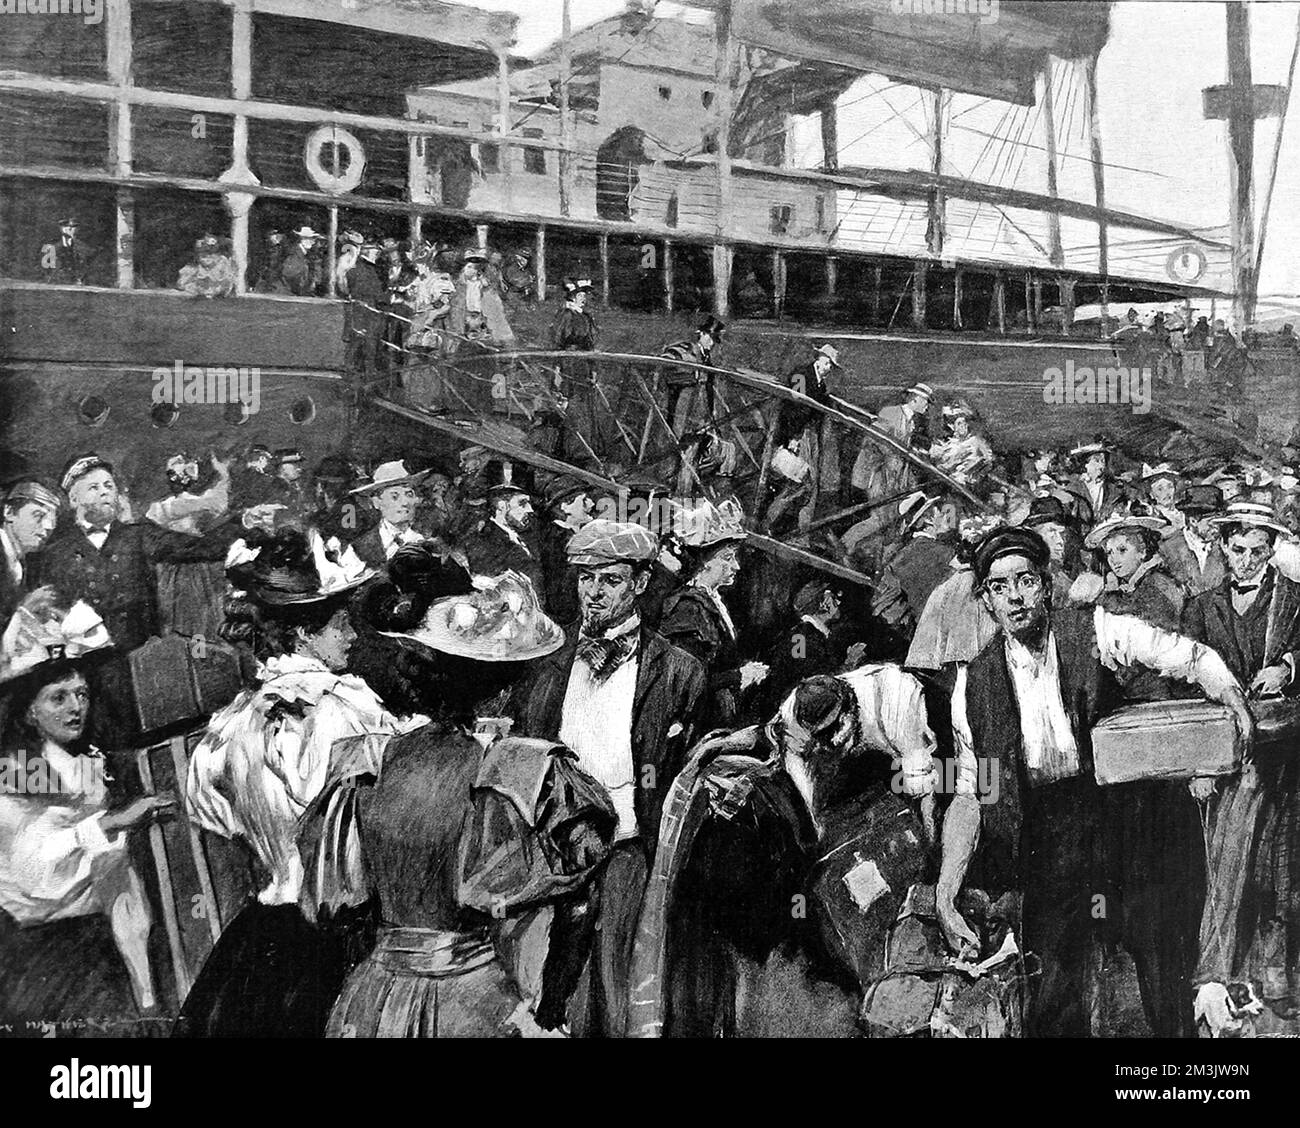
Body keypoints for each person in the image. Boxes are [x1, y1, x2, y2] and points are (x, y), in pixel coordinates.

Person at [937, 526, 1251, 1038]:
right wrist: (946, 889)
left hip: (1124, 816)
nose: (1015, 596)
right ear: (985, 599)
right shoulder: (974, 682)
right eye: (1000, 587)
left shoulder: (1093, 629)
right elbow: (970, 790)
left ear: (1045, 585)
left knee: (1161, 962)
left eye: (1026, 581)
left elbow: (1182, 653)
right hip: (1049, 836)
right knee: (1054, 986)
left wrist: (1229, 693)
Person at [324, 571, 616, 1037]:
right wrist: (549, 1011)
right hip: (473, 1004)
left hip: (372, 1001)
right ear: (502, 683)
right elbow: (579, 905)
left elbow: (343, 909)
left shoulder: (364, 762)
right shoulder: (523, 770)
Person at [177, 527, 404, 1037]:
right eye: (340, 624)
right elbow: (377, 813)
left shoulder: (237, 718)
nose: (352, 636)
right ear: (304, 633)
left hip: (266, 925)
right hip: (336, 928)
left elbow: (210, 808)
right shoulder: (339, 710)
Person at [513, 519, 708, 1037]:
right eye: (586, 580)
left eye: (610, 581)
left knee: (615, 978)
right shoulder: (546, 660)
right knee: (538, 975)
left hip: (627, 843)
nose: (594, 594)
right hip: (550, 843)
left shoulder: (679, 670)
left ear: (640, 584)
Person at [0, 600, 171, 1029]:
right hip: (48, 944)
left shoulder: (90, 762)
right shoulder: (20, 771)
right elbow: (33, 866)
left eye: (81, 695)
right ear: (29, 711)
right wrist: (113, 823)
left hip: (104, 931)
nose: (76, 707)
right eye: (58, 698)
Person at [31, 454, 261, 746]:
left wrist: (243, 522)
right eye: (94, 487)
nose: (105, 492)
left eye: (109, 485)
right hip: (85, 675)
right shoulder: (55, 554)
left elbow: (198, 547)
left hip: (140, 666)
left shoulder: (137, 536)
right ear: (74, 499)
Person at [1182, 500, 1300, 1031]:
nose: (1247, 561)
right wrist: (1199, 764)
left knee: (1280, 873)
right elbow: (1183, 687)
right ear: (1223, 545)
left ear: (1273, 550)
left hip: (1290, 753)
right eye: (1237, 549)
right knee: (1227, 865)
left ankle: (1273, 981)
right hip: (1229, 758)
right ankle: (1215, 977)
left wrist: (1289, 668)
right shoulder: (1201, 607)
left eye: (1258, 551)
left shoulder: (1294, 600)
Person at [659, 499, 768, 727]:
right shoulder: (688, 609)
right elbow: (682, 679)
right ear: (703, 564)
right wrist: (739, 677)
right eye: (727, 558)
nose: (736, 566)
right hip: (694, 721)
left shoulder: (710, 601)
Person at [145, 452, 233, 640]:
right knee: (188, 618)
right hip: (180, 570)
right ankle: (189, 657)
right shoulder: (171, 507)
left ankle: (197, 657)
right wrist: (223, 476)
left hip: (195, 569)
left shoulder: (165, 507)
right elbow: (217, 503)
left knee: (197, 620)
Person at [759, 579, 846, 722]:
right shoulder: (800, 635)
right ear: (822, 604)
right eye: (834, 600)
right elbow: (799, 674)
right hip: (793, 713)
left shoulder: (814, 635)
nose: (839, 603)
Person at [851, 381, 933, 502]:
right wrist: (896, 456)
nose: (928, 406)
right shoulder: (890, 413)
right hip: (874, 473)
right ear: (915, 400)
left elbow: (904, 444)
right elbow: (875, 440)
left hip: (891, 474)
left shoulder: (911, 422)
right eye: (926, 401)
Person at [346, 460, 432, 569]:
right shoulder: (359, 547)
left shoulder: (426, 538)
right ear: (376, 502)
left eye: (409, 494)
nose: (405, 503)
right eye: (394, 497)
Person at [461, 482, 543, 595]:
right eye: (522, 503)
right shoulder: (483, 540)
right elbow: (485, 586)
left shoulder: (524, 537)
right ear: (502, 506)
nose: (530, 510)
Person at [537, 477, 597, 623]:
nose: (592, 504)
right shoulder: (557, 538)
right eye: (584, 500)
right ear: (565, 506)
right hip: (567, 619)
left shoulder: (573, 535)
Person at [0, 478, 60, 626]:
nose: (48, 527)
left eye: (52, 519)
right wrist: (26, 608)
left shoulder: (20, 562)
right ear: (9, 512)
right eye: (38, 515)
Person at [661, 317, 725, 438]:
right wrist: (694, 371)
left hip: (699, 414)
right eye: (710, 338)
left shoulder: (707, 358)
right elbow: (668, 360)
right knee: (677, 434)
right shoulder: (686, 349)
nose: (712, 344)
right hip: (682, 407)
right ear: (701, 334)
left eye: (715, 340)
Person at [343, 240, 386, 381]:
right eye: (375, 252)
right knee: (369, 343)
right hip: (368, 310)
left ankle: (350, 372)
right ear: (368, 253)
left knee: (355, 343)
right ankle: (367, 374)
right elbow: (375, 292)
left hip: (357, 310)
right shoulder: (368, 271)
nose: (377, 255)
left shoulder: (355, 270)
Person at [1065, 437, 1125, 529]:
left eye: (1103, 461)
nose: (1101, 466)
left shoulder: (1114, 490)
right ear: (1086, 464)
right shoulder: (1073, 489)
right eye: (1097, 461)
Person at [929, 402, 994, 485]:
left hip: (969, 485)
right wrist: (957, 458)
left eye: (964, 422)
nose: (963, 426)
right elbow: (939, 466)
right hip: (947, 484)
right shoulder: (942, 445)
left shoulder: (975, 441)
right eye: (959, 423)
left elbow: (988, 460)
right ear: (951, 426)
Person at [176, 234, 236, 299]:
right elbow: (183, 282)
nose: (207, 257)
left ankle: (213, 292)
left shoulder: (222, 261)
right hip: (201, 288)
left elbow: (227, 276)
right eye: (203, 254)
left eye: (210, 253)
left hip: (217, 286)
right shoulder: (196, 264)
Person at [40, 216, 92, 286]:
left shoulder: (83, 247)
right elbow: (44, 267)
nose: (69, 229)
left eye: (73, 227)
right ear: (61, 228)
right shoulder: (50, 245)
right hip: (55, 284)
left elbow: (86, 267)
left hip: (77, 286)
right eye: (66, 226)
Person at [278, 224, 323, 296]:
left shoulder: (309, 255)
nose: (312, 242)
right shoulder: (293, 253)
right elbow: (288, 274)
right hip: (291, 293)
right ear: (301, 239)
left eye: (313, 239)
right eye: (308, 238)